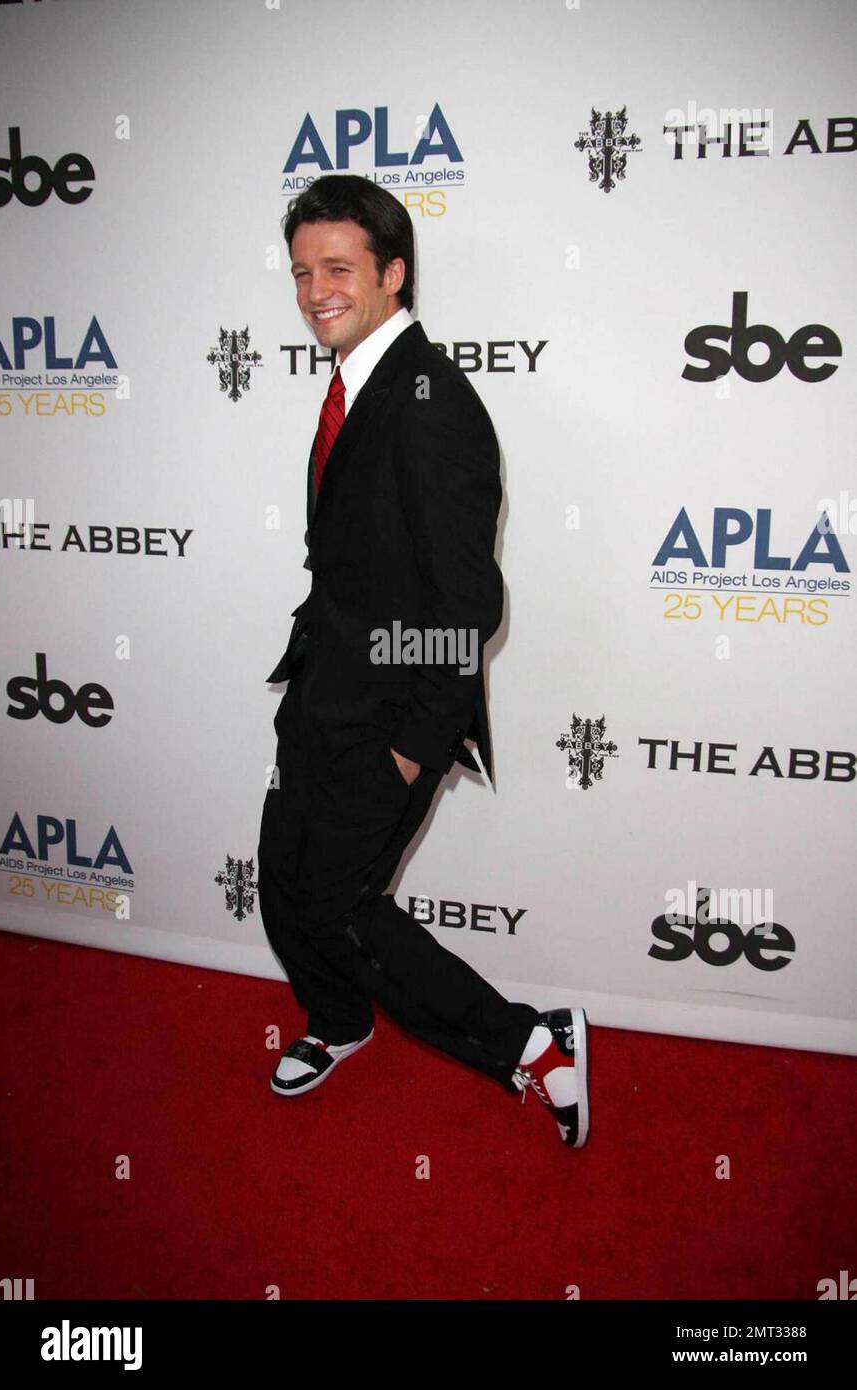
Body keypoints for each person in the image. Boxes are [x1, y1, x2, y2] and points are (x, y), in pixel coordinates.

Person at [257, 174, 589, 1149]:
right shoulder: (357, 382)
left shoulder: (429, 401)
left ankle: (526, 1041)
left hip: (390, 718)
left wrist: (413, 745)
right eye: (301, 271)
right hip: (324, 689)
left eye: (338, 268)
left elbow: (467, 602)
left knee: (337, 903)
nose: (315, 288)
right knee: (284, 877)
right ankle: (340, 1020)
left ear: (393, 274)